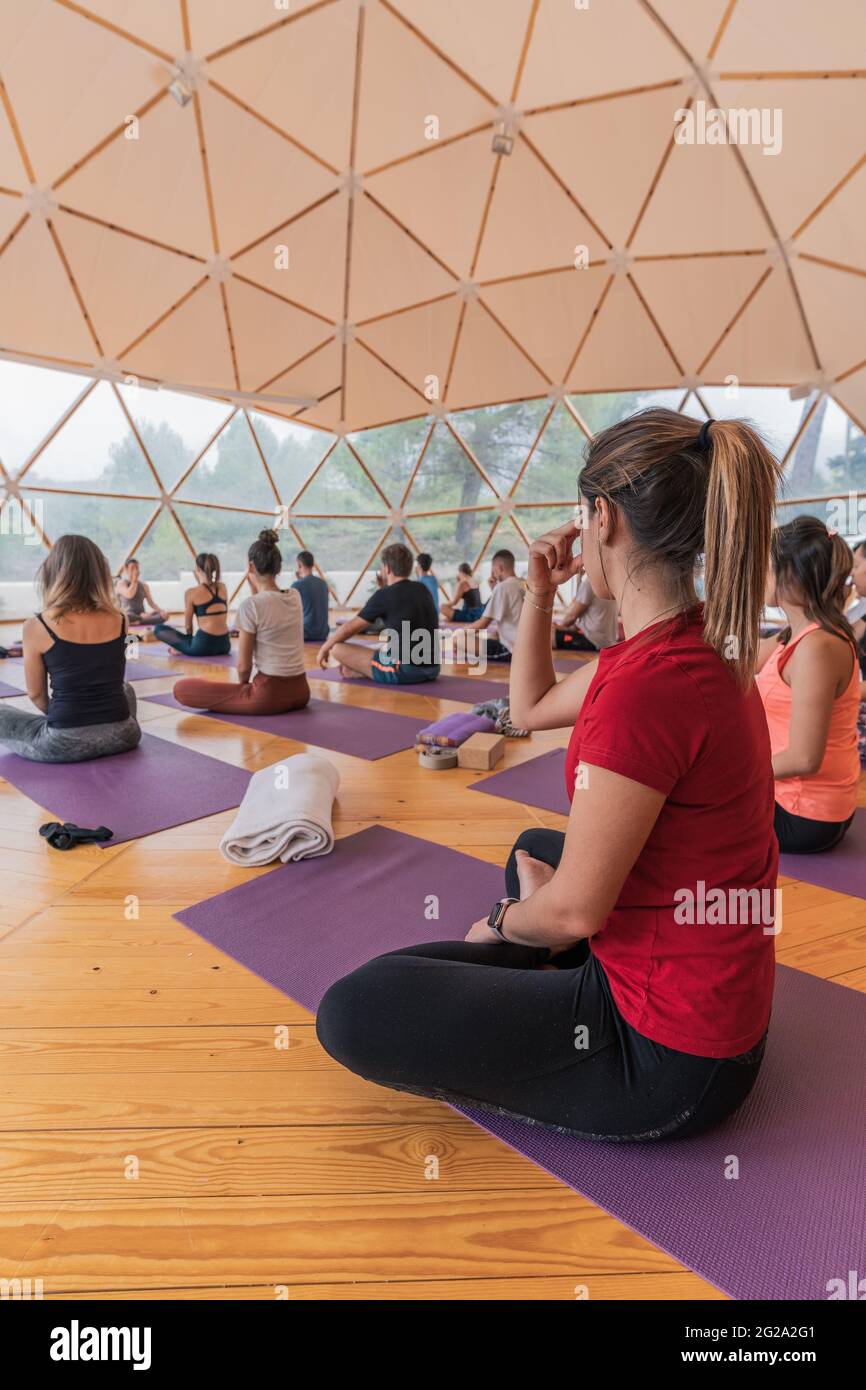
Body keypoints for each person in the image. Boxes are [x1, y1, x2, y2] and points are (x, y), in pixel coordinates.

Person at [317, 411, 780, 1142]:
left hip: (669, 1059)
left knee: (357, 1007)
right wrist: (539, 593)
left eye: (579, 514)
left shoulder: (647, 686)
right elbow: (527, 708)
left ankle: (542, 960)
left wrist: (505, 922)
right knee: (534, 845)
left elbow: (576, 914)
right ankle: (544, 958)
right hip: (712, 994)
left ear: (602, 517)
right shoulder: (684, 648)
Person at [755, 517, 860, 854]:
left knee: (679, 803)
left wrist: (734, 776)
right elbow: (738, 658)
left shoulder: (818, 648)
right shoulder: (796, 636)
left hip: (801, 814)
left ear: (792, 575)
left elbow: (804, 757)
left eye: (767, 566)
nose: (762, 575)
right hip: (796, 802)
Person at [0, 534, 141, 762]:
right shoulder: (121, 619)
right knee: (127, 689)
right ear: (100, 573)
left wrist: (69, 718)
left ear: (53, 572)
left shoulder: (36, 626)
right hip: (125, 735)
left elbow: (36, 695)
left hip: (63, 744)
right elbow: (119, 672)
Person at [174, 531, 309, 715]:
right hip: (301, 692)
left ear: (251, 567)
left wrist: (243, 689)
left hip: (269, 696)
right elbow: (270, 607)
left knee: (182, 688)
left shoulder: (250, 606)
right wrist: (255, 591)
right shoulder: (295, 596)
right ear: (278, 567)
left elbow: (244, 667)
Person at [317, 541, 439, 684]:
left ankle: (362, 671)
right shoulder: (422, 589)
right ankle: (361, 671)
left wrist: (324, 648)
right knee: (386, 647)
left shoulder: (385, 595)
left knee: (337, 649)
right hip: (432, 668)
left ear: (387, 568)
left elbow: (348, 629)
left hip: (404, 671)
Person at [154, 553, 230, 657]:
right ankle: (186, 647)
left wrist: (186, 643)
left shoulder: (191, 593)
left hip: (203, 646)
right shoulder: (223, 587)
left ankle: (182, 649)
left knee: (158, 629)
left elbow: (188, 626)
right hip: (225, 645)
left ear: (198, 569)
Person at [462, 548, 524, 661]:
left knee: (460, 640)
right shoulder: (523, 583)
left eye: (493, 570)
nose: (493, 574)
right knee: (494, 634)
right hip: (529, 646)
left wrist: (462, 632)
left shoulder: (503, 587)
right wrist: (494, 590)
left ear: (499, 568)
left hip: (512, 650)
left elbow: (482, 624)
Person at [552, 570, 618, 651]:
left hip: (593, 641)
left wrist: (559, 625)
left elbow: (572, 617)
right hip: (609, 641)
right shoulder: (610, 582)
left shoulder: (589, 583)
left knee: (551, 632)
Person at [114, 558, 167, 626]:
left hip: (142, 613)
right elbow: (130, 594)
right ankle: (141, 619)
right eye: (132, 568)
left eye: (137, 568)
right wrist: (134, 580)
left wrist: (161, 611)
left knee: (165, 615)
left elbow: (151, 603)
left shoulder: (144, 586)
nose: (135, 570)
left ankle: (138, 621)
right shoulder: (121, 583)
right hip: (129, 614)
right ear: (126, 570)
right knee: (125, 617)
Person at [292, 550, 330, 644]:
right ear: (312, 564)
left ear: (299, 565)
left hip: (307, 634)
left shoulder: (297, 585)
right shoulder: (323, 583)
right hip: (323, 633)